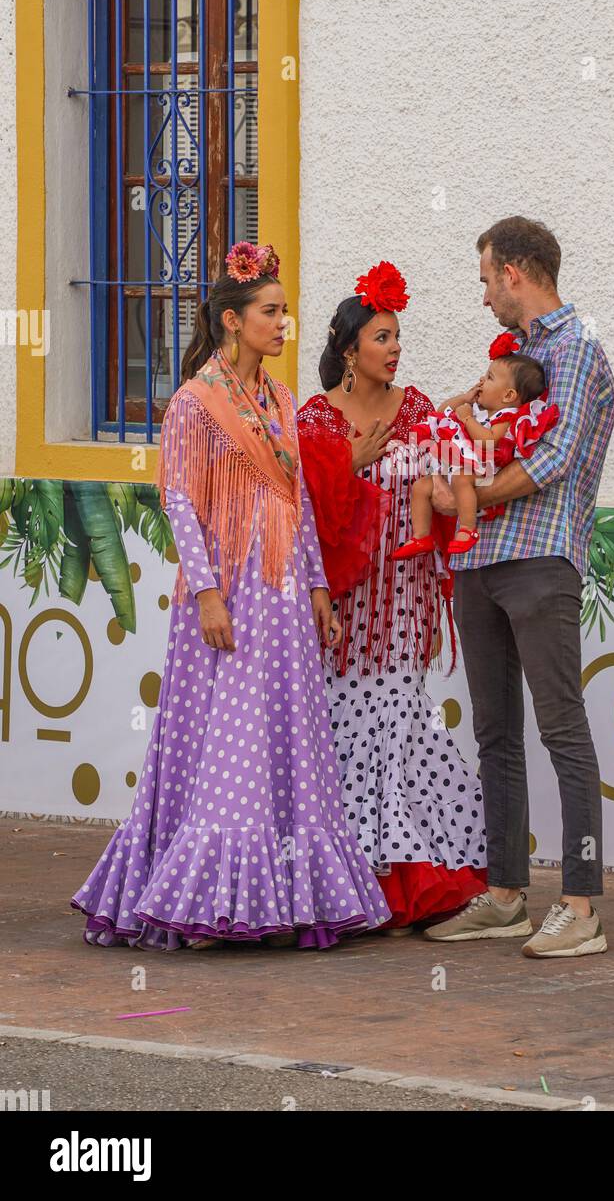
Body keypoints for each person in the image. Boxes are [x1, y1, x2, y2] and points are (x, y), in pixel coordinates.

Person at [71, 242, 391, 950]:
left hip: (282, 594)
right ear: (230, 320)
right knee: (229, 745)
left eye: (284, 312)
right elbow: (179, 499)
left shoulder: (281, 400)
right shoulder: (193, 401)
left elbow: (297, 498)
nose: (283, 325)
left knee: (284, 740)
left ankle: (275, 899)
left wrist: (316, 586)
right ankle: (208, 904)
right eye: (270, 313)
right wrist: (208, 593)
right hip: (229, 590)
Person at [424, 216, 614, 958]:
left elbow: (557, 457)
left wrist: (463, 497)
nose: (483, 300)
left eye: (484, 281)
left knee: (562, 730)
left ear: (513, 271)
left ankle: (582, 905)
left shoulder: (576, 349)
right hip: (482, 562)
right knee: (496, 732)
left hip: (540, 559)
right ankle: (505, 894)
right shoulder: (517, 356)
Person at [296, 261, 488, 933]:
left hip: (403, 597)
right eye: (382, 337)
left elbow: (448, 485)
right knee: (345, 728)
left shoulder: (417, 411)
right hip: (343, 601)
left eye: (398, 336)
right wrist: (349, 463)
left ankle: (416, 874)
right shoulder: (316, 419)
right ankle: (351, 878)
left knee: (402, 721)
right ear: (350, 350)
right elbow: (301, 511)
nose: (395, 347)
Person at [392, 336, 559, 560]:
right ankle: (421, 535)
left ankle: (467, 529)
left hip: (484, 468)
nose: (482, 380)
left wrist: (469, 420)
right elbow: (442, 411)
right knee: (422, 486)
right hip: (463, 464)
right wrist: (465, 399)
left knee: (461, 479)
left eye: (489, 377)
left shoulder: (506, 417)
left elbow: (488, 441)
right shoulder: (481, 413)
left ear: (508, 395)